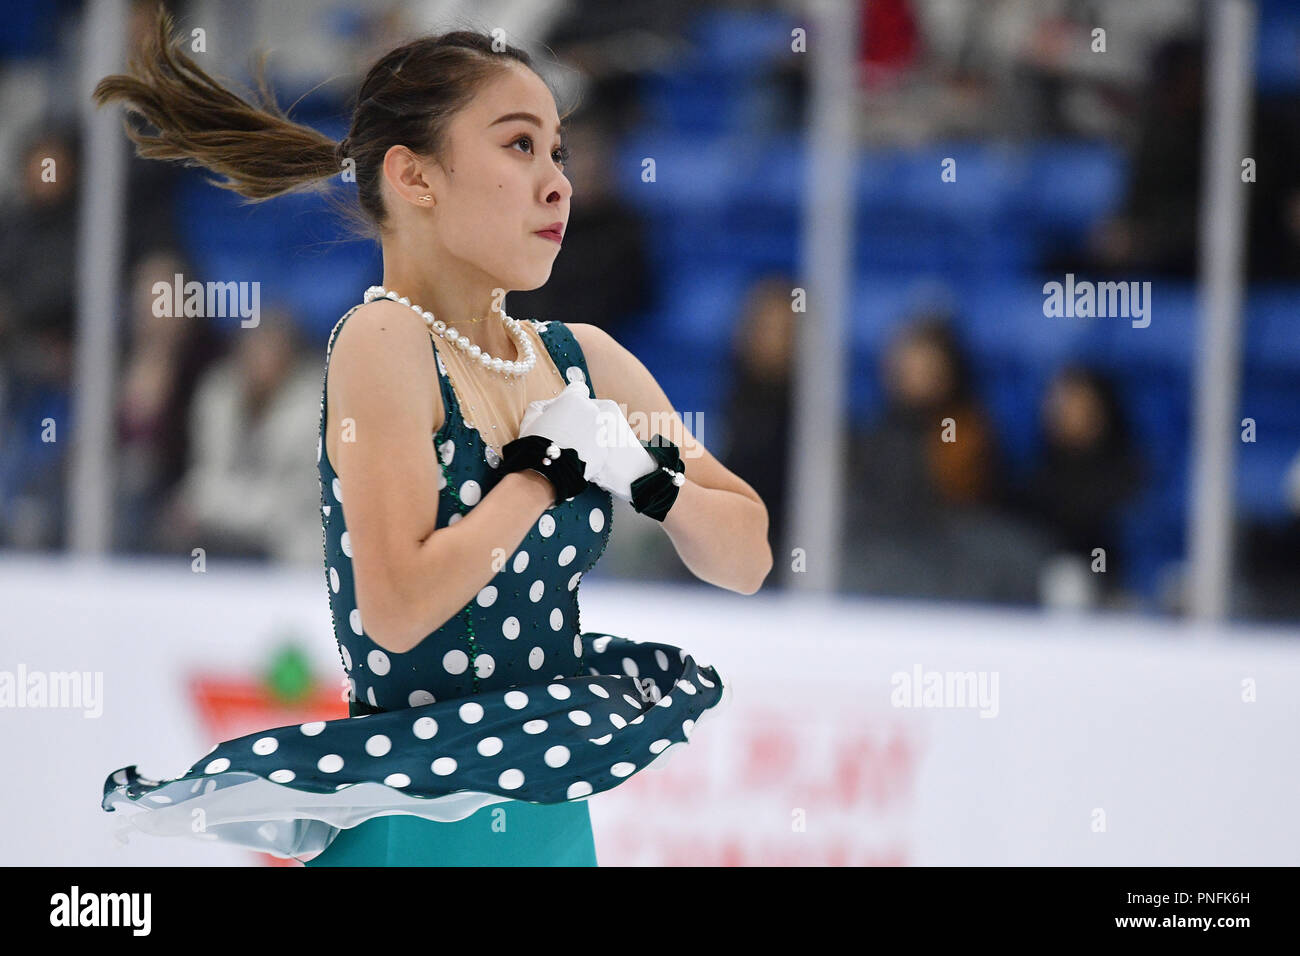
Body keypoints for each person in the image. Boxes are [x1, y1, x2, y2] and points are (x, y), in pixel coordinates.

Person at [95, 6, 769, 865]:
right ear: (415, 178)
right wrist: (540, 479)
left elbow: (746, 556)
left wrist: (644, 477)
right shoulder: (383, 342)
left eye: (558, 151)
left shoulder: (584, 358)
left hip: (548, 814)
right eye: (520, 145)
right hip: (419, 820)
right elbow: (399, 610)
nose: (557, 181)